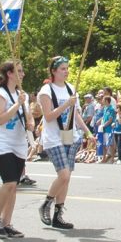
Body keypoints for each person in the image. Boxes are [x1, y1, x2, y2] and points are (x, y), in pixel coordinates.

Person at [36, 56, 92, 230]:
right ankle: (46, 203)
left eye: (67, 68)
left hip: (70, 136)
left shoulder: (71, 88)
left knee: (66, 179)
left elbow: (75, 115)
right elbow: (48, 116)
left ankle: (58, 215)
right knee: (64, 175)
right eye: (62, 69)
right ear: (53, 71)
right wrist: (67, 103)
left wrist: (88, 132)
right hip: (54, 138)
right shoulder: (46, 91)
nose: (66, 71)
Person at [0, 60, 35, 238]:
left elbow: (29, 117)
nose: (23, 74)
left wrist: (31, 123)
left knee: (14, 185)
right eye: (19, 71)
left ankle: (7, 223)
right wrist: (17, 104)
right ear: (10, 74)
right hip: (0, 141)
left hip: (18, 143)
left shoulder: (24, 95)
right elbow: (1, 119)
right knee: (9, 182)